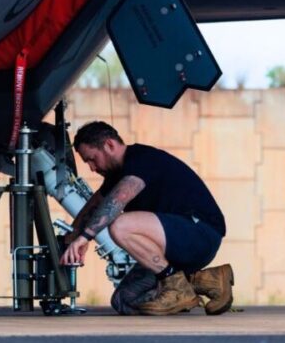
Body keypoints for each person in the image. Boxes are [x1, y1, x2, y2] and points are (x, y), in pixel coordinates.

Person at [60, 121, 233, 315]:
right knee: (124, 300)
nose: (92, 168)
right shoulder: (115, 176)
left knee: (119, 225)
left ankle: (176, 287)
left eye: (92, 159)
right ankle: (206, 280)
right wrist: (71, 238)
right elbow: (94, 206)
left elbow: (118, 200)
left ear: (109, 145)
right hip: (172, 250)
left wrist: (85, 238)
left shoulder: (141, 160)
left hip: (199, 234)